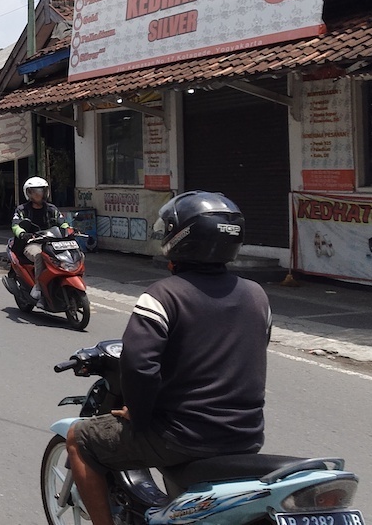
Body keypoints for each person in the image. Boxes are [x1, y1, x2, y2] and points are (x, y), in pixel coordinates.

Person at [65, 191, 271, 524]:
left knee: (79, 438)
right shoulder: (258, 296)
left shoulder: (162, 295)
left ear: (180, 239)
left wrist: (140, 416)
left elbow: (139, 366)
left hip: (181, 436)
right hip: (247, 436)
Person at [10, 176, 72, 288]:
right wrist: (23, 234)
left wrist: (69, 229)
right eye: (35, 192)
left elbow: (62, 222)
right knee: (40, 256)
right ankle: (39, 287)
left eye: (42, 191)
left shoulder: (51, 209)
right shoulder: (22, 209)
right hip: (32, 242)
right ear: (28, 193)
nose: (39, 194)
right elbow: (16, 225)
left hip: (52, 242)